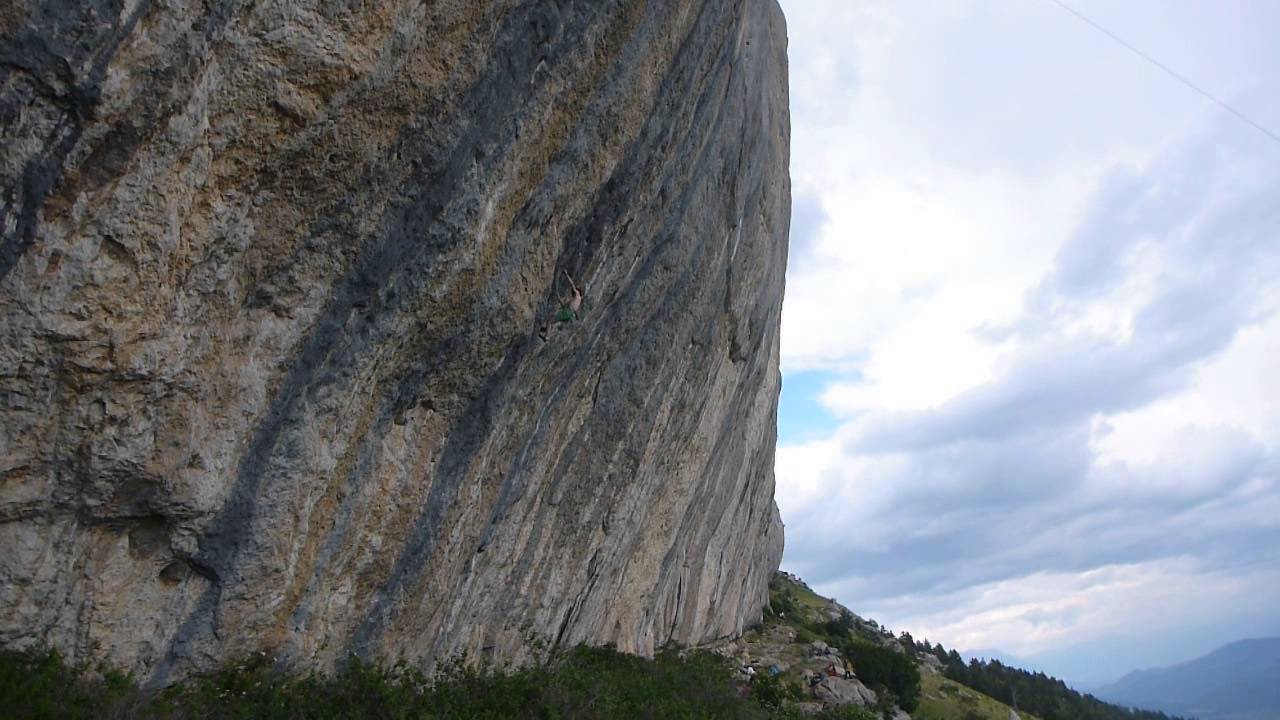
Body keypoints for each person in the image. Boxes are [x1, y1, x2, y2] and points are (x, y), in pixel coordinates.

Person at [539, 270, 582, 341]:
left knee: (549, 321)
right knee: (552, 322)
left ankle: (547, 336)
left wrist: (566, 274)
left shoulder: (578, 295)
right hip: (569, 315)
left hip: (567, 313)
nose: (573, 291)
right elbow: (564, 306)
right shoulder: (576, 302)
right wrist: (558, 298)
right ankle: (545, 331)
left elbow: (572, 284)